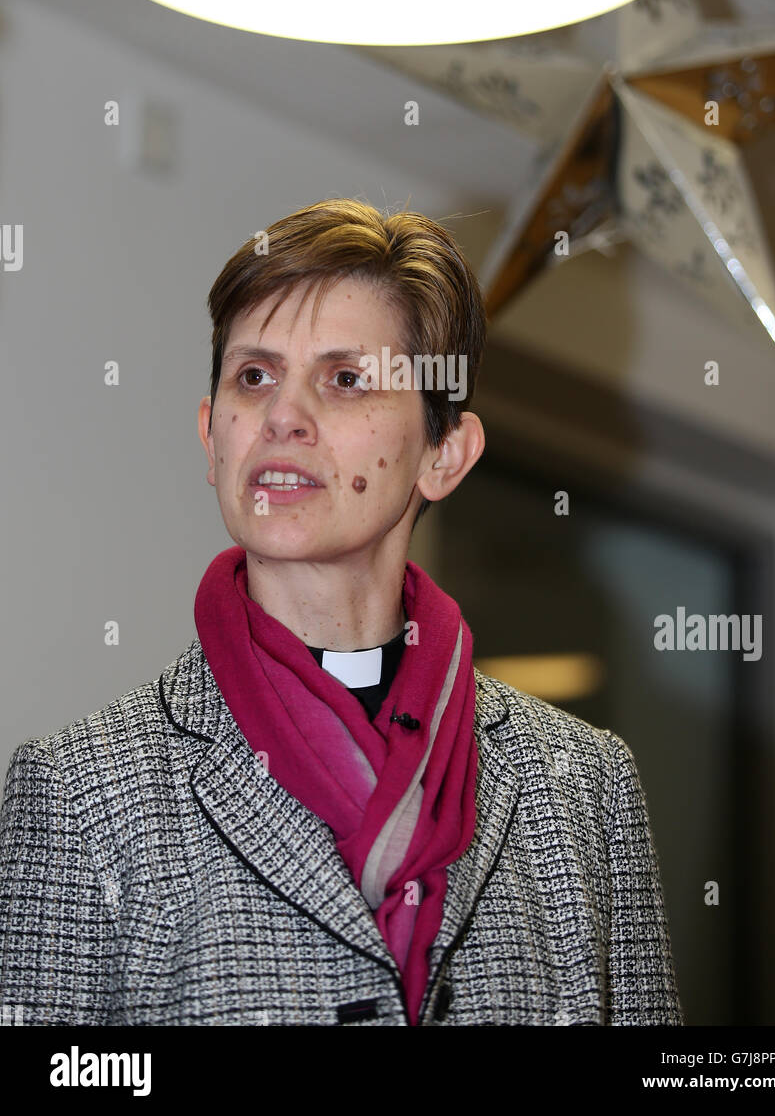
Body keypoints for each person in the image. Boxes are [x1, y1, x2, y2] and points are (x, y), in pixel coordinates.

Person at [0, 197, 682, 1026]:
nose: (283, 416)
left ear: (443, 454)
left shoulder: (583, 788)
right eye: (254, 376)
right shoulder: (79, 794)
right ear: (213, 436)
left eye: (345, 379)